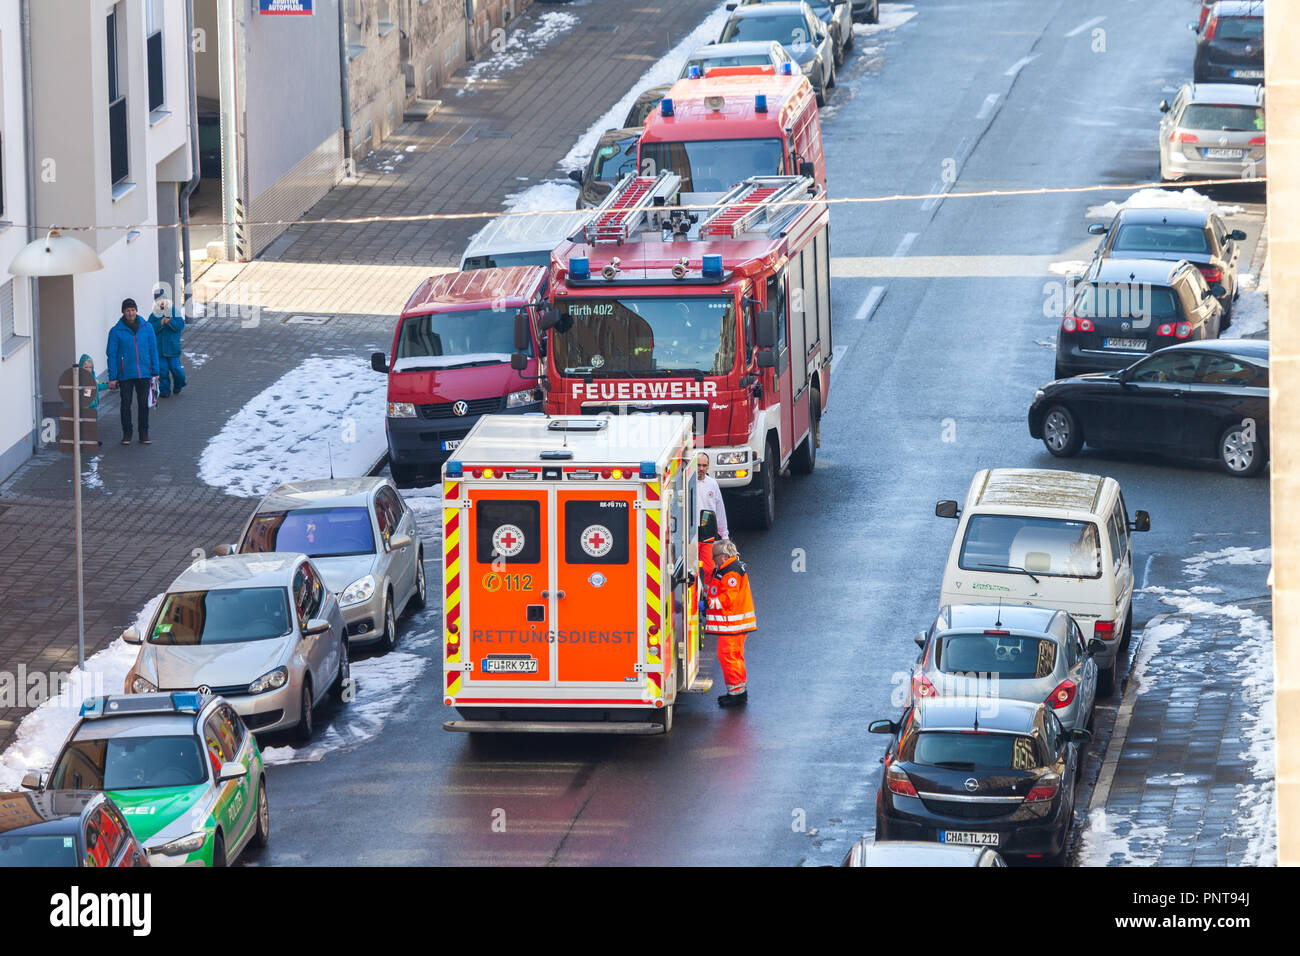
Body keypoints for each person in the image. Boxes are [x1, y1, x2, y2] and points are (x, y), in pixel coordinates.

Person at [704, 539, 756, 707]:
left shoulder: (731, 572)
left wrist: (708, 604)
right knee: (734, 657)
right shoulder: (730, 568)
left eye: (715, 557)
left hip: (732, 625)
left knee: (729, 657)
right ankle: (739, 692)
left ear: (724, 556)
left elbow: (728, 598)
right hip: (734, 624)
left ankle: (736, 695)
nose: (713, 560)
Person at [105, 298, 160, 445]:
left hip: (144, 372)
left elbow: (153, 350)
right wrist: (113, 377)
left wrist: (155, 371)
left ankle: (144, 433)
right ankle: (127, 433)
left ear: (136, 310)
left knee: (143, 404)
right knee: (125, 404)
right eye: (128, 310)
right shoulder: (116, 331)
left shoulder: (147, 328)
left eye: (133, 310)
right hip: (125, 374)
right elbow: (112, 354)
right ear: (123, 312)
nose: (130, 313)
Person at [148, 292, 187, 397]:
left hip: (173, 349)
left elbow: (180, 325)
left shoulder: (174, 312)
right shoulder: (154, 315)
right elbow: (149, 329)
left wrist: (170, 321)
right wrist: (160, 324)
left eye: (163, 301)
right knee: (162, 371)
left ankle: (179, 384)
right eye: (159, 301)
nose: (161, 304)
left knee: (176, 370)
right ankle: (164, 391)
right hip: (159, 350)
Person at [695, 452, 729, 540]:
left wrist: (724, 535)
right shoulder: (688, 483)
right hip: (691, 532)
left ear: (708, 466)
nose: (701, 468)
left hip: (708, 531)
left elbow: (720, 510)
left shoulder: (712, 483)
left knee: (707, 554)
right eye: (698, 465)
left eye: (704, 465)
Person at [78, 354, 108, 446]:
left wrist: (107, 385)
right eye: (85, 367)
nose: (88, 369)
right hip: (85, 406)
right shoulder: (80, 379)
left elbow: (99, 385)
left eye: (90, 367)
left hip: (94, 405)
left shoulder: (94, 378)